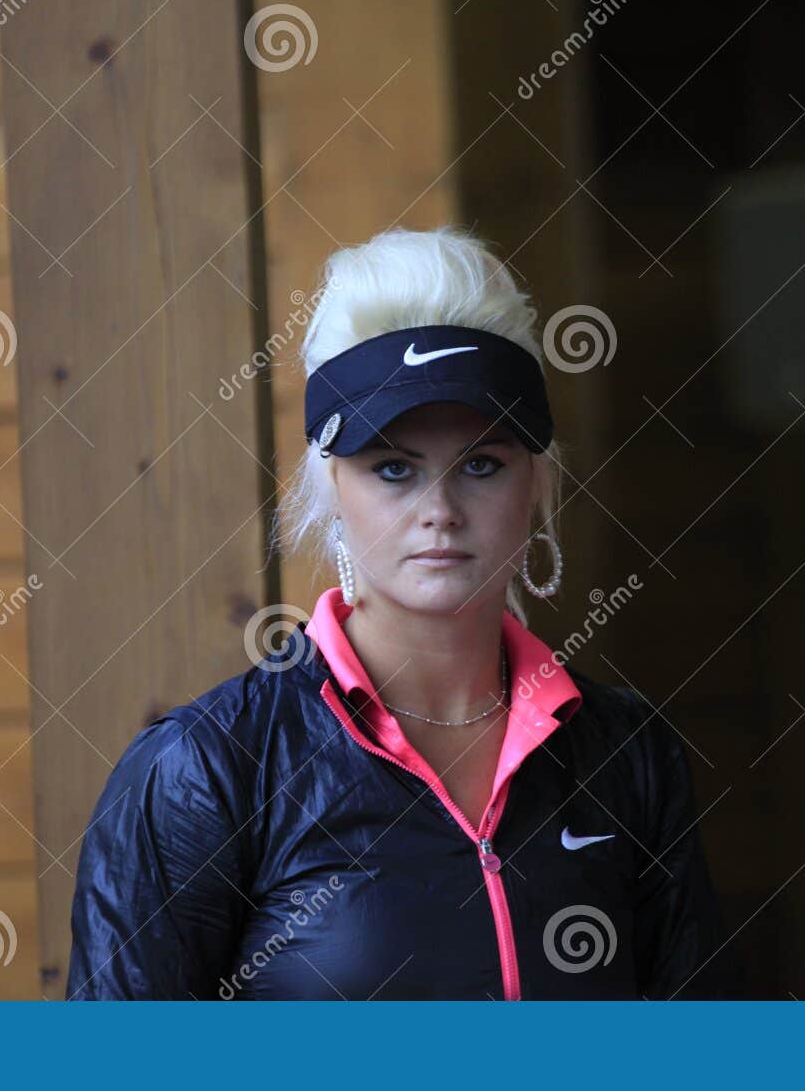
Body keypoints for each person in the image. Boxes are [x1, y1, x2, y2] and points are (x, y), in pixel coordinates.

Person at [65, 225, 741, 999]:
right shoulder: (204, 772)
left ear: (536, 486)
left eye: (481, 464)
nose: (440, 511)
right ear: (332, 490)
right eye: (394, 468)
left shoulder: (630, 755)